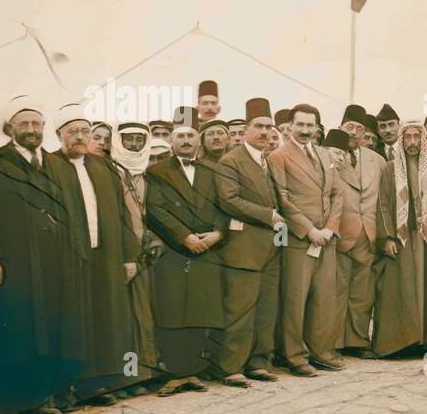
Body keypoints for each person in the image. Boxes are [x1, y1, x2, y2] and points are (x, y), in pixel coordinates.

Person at [0, 95, 71, 414]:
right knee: (11, 330)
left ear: (44, 128)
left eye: (36, 123)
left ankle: (38, 399)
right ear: (11, 128)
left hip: (50, 262)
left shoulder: (54, 165)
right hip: (12, 264)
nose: (30, 129)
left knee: (45, 329)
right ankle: (7, 403)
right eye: (23, 123)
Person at [46, 103, 141, 405]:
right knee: (70, 322)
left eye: (84, 131)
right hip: (66, 259)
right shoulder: (49, 166)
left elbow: (124, 218)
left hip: (105, 256)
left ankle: (95, 384)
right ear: (59, 134)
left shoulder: (103, 167)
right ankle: (62, 387)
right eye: (72, 131)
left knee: (103, 319)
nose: (79, 137)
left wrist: (129, 257)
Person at [145, 119, 227, 395]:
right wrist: (184, 237)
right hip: (174, 249)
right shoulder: (156, 171)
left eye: (191, 135)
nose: (186, 141)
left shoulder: (212, 172)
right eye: (180, 136)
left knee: (199, 311)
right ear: (171, 140)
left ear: (198, 140)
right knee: (172, 312)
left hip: (207, 249)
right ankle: (174, 373)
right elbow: (155, 209)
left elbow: (223, 208)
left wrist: (218, 233)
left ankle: (193, 372)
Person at [213, 98, 285, 386]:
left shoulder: (268, 161)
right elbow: (229, 200)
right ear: (244, 130)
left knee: (266, 310)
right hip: (243, 248)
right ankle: (231, 367)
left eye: (269, 127)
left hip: (271, 248)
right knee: (240, 310)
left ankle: (259, 362)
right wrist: (269, 215)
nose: (265, 132)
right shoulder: (231, 160)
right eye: (259, 126)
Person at [267, 103, 344, 375]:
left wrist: (330, 228)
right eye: (300, 125)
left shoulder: (324, 155)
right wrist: (310, 229)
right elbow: (282, 199)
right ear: (289, 127)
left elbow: (337, 194)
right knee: (295, 299)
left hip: (326, 238)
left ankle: (321, 351)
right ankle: (294, 355)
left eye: (310, 125)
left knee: (324, 297)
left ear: (317, 128)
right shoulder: (278, 157)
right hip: (299, 239)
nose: (305, 130)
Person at [373, 119, 427, 357]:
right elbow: (382, 205)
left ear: (422, 141)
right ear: (401, 140)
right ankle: (404, 341)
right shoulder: (390, 170)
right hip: (403, 240)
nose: (411, 142)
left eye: (416, 138)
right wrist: (387, 238)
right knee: (403, 287)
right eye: (407, 137)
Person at [330, 109, 388, 358]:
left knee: (363, 293)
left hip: (369, 234)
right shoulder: (329, 157)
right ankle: (332, 341)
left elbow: (384, 200)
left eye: (359, 129)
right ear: (341, 128)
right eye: (349, 127)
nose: (353, 133)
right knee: (336, 289)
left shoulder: (377, 160)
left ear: (366, 134)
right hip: (340, 234)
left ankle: (357, 340)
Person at [111, 118, 161, 395]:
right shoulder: (110, 171)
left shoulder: (147, 173)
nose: (133, 144)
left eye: (139, 140)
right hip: (122, 255)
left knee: (144, 315)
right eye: (128, 139)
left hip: (147, 254)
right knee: (124, 318)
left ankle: (145, 372)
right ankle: (125, 377)